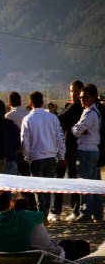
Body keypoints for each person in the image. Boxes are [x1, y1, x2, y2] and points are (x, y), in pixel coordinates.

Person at [21, 91, 65, 218]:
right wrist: (61, 156)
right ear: (42, 102)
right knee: (47, 189)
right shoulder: (53, 118)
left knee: (39, 190)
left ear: (30, 103)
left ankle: (42, 216)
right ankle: (44, 215)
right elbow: (60, 138)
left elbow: (25, 141)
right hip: (51, 157)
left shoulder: (28, 119)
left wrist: (27, 156)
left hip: (36, 158)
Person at [51, 80, 84, 221]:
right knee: (72, 179)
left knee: (60, 178)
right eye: (71, 91)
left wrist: (51, 115)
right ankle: (74, 210)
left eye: (76, 91)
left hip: (70, 149)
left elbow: (60, 119)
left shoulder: (76, 106)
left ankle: (57, 211)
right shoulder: (77, 107)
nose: (73, 94)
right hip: (72, 148)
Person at [70, 84, 101, 223]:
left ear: (92, 97)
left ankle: (86, 212)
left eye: (84, 97)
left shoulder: (89, 113)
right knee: (94, 184)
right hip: (92, 150)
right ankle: (97, 213)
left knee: (85, 184)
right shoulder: (94, 111)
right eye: (80, 97)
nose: (81, 99)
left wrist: (74, 128)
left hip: (86, 151)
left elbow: (77, 131)